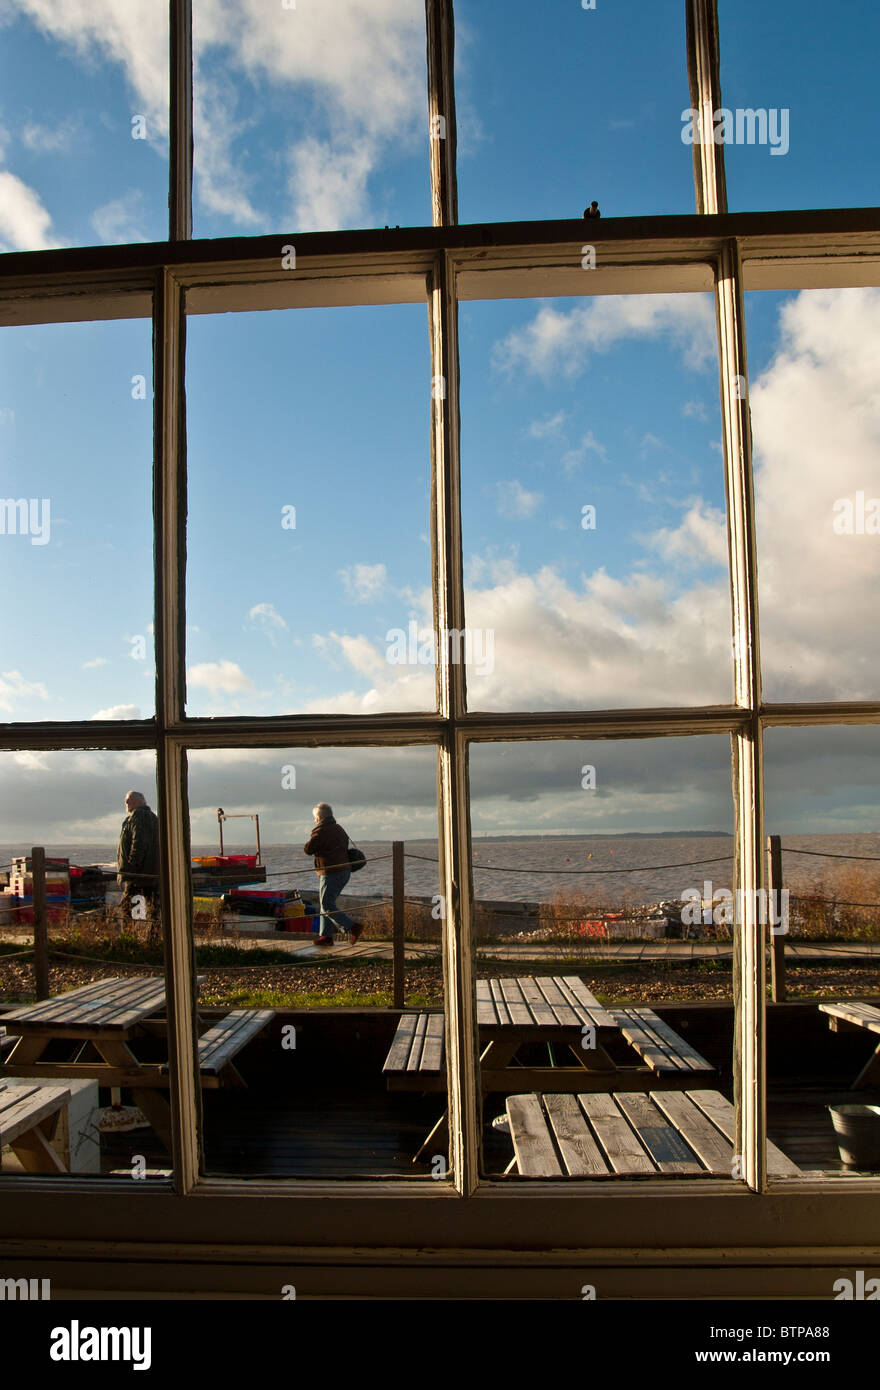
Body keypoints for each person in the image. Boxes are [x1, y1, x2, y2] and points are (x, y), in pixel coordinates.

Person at [303, 803, 364, 947]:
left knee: (326, 904)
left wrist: (313, 834)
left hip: (331, 873)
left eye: (315, 818)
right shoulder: (339, 828)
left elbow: (308, 849)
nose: (314, 821)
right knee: (327, 904)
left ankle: (352, 927)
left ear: (319, 817)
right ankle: (326, 937)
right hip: (344, 871)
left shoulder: (320, 831)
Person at [116, 790, 161, 942]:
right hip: (152, 872)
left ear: (139, 802)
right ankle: (153, 937)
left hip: (138, 874)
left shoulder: (138, 817)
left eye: (129, 800)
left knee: (128, 906)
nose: (127, 803)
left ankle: (130, 938)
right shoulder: (154, 818)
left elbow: (139, 843)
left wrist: (131, 867)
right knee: (152, 906)